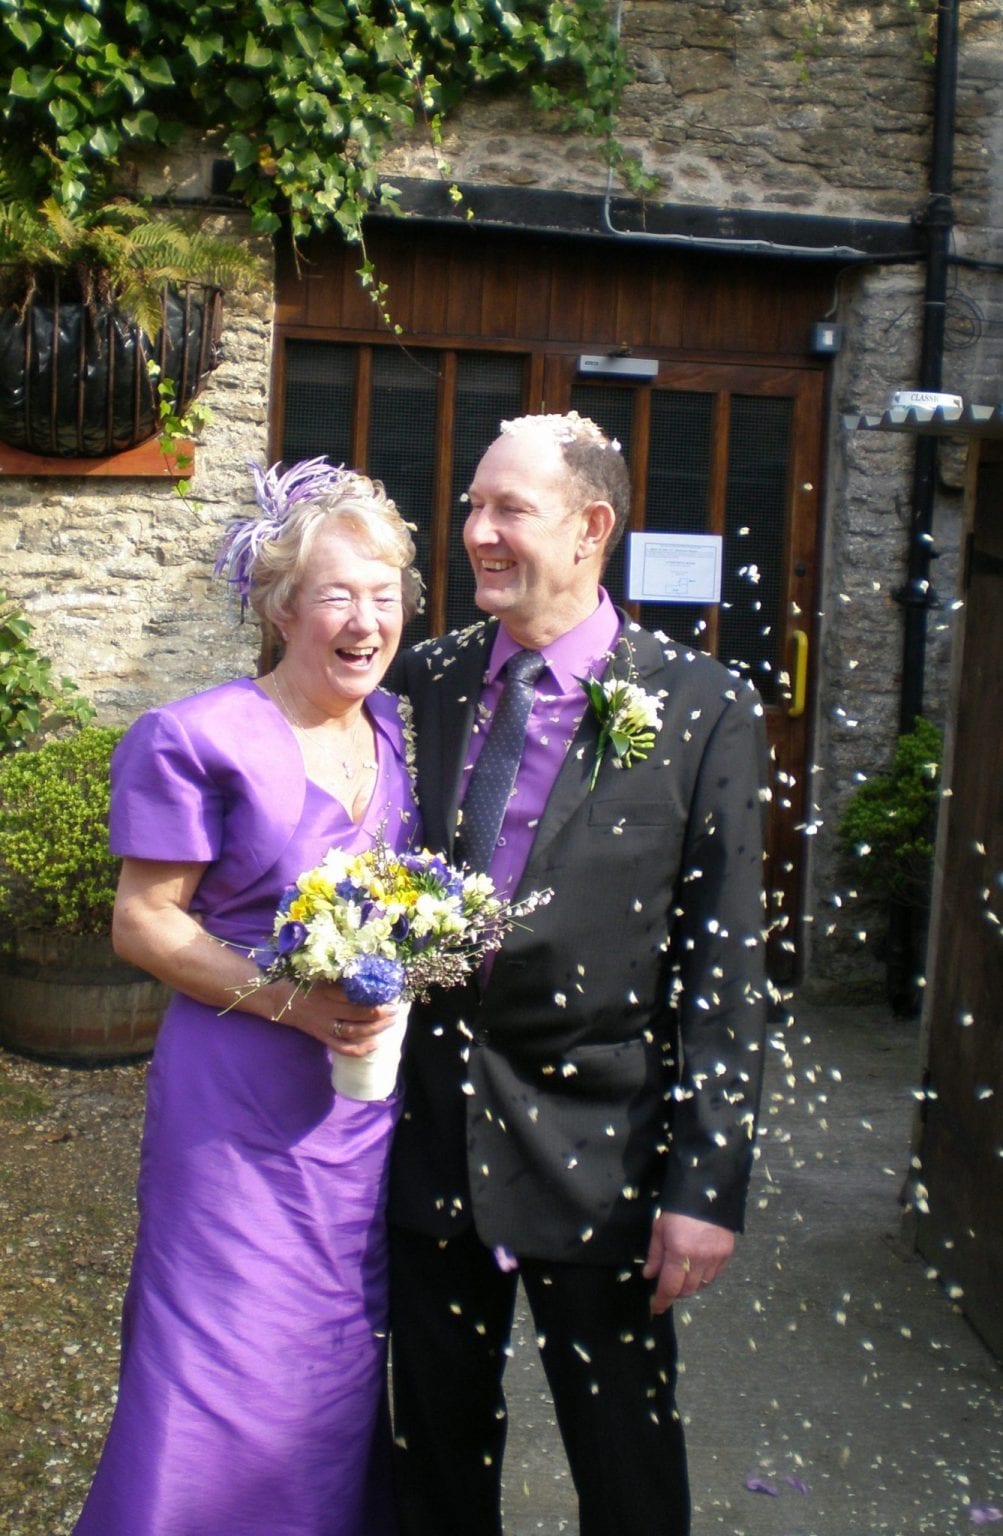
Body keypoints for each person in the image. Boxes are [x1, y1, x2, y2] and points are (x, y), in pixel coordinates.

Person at [387, 412, 769, 1536]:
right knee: (438, 1449)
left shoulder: (702, 705)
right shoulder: (428, 680)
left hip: (604, 1152)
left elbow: (727, 963)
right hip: (430, 1136)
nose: (476, 533)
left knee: (626, 1463)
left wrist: (705, 1190)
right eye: (471, 506)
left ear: (592, 526)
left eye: (509, 509)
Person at [74, 461, 422, 1536]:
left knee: (331, 1366)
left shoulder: (398, 732)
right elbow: (145, 923)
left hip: (356, 1116)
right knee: (220, 1358)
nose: (365, 622)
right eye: (337, 595)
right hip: (234, 1109)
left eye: (386, 595)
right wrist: (293, 1004)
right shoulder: (195, 737)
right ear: (279, 609)